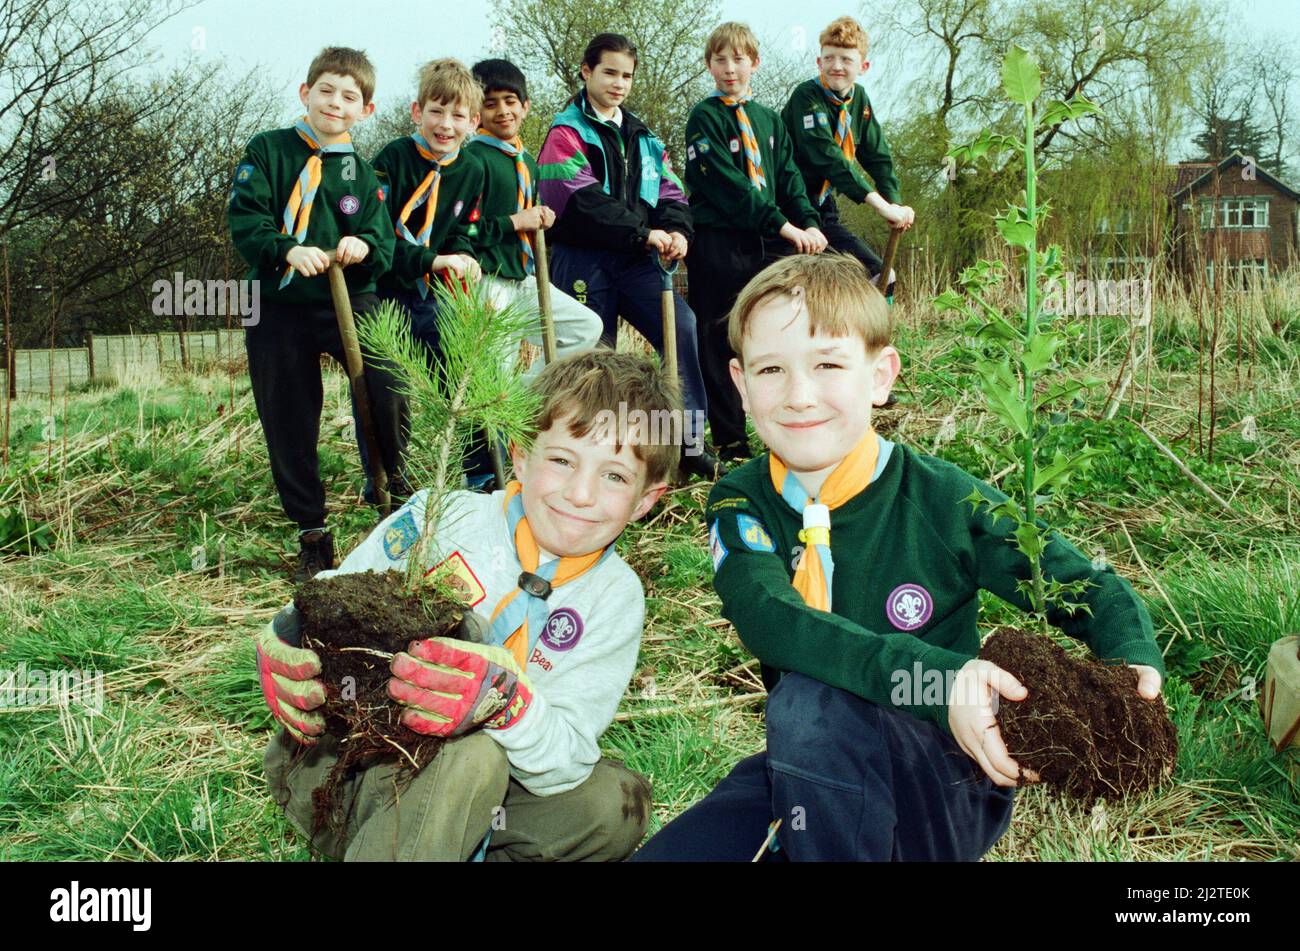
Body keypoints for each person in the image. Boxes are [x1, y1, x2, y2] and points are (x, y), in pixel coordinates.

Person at [632, 253, 1167, 861]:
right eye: (772, 369)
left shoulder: (944, 498)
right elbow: (770, 616)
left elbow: (1083, 580)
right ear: (741, 385)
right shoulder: (740, 499)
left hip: (943, 769)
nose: (799, 395)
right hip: (815, 769)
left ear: (881, 376)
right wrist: (941, 680)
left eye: (829, 364)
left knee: (811, 703)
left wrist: (1130, 657)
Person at [257, 350, 682, 861]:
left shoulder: (613, 598)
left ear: (646, 499)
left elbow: (564, 759)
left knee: (610, 805)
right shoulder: (444, 519)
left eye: (614, 476)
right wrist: (284, 633)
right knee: (473, 754)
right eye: (562, 460)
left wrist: (509, 705)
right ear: (520, 454)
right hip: (350, 769)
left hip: (483, 798)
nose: (581, 493)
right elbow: (332, 594)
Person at [228, 46, 397, 582]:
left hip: (349, 301)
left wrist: (363, 247)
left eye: (350, 96)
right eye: (326, 90)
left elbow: (382, 237)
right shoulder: (269, 150)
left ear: (364, 110)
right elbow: (245, 218)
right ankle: (312, 530)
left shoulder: (363, 172)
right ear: (306, 93)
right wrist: (285, 248)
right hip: (280, 302)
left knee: (387, 390)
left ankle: (393, 504)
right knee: (288, 413)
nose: (335, 102)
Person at [538, 32, 720, 482]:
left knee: (681, 328)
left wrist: (677, 230)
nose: (618, 83)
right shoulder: (564, 133)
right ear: (587, 72)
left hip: (640, 262)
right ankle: (596, 454)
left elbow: (672, 191)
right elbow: (575, 198)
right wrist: (644, 233)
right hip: (582, 260)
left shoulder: (644, 137)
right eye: (610, 73)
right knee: (596, 361)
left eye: (627, 76)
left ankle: (688, 443)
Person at [682, 21, 826, 467]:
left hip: (770, 240)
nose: (730, 69)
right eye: (720, 60)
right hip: (719, 243)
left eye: (739, 59)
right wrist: (783, 225)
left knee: (777, 333)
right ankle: (731, 440)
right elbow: (728, 187)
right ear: (709, 66)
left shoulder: (768, 120)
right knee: (719, 338)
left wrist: (808, 221)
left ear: (754, 63)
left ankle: (786, 423)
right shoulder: (704, 118)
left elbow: (788, 178)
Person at [355, 58, 487, 504]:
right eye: (436, 111)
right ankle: (388, 478)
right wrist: (435, 260)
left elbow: (465, 230)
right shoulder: (392, 159)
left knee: (462, 372)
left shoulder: (471, 169)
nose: (445, 125)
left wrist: (465, 257)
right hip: (381, 289)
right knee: (386, 386)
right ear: (417, 112)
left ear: (473, 122)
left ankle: (481, 475)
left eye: (457, 116)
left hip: (426, 294)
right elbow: (381, 236)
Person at [466, 57, 603, 378]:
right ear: (476, 114)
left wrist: (542, 219)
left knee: (585, 328)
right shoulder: (472, 158)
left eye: (510, 101)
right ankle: (494, 414)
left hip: (524, 280)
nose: (502, 111)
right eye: (490, 104)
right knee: (494, 369)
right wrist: (517, 221)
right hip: (488, 282)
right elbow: (463, 232)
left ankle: (526, 394)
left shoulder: (527, 160)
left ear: (525, 106)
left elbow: (529, 217)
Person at [781, 15, 915, 296]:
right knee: (804, 290)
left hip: (823, 207)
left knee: (882, 276)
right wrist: (880, 206)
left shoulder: (860, 100)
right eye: (828, 58)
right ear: (818, 62)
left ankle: (867, 337)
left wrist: (896, 206)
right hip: (789, 209)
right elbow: (829, 159)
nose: (836, 66)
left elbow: (878, 156)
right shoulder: (806, 97)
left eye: (846, 59)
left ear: (863, 67)